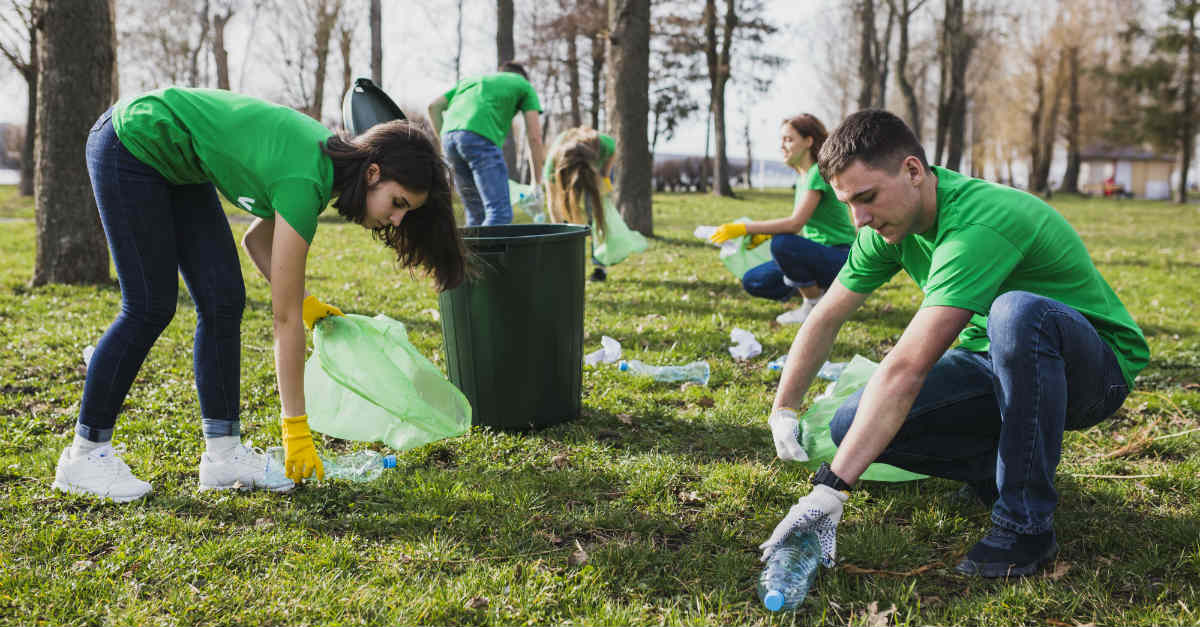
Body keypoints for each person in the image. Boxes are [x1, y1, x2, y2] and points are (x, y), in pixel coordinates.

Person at [758, 110, 1148, 578]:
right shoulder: (884, 228)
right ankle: (994, 470)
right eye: (848, 204)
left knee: (1017, 312)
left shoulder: (980, 221)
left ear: (912, 171)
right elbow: (824, 318)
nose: (859, 219)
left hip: (1092, 373)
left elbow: (908, 366)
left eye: (867, 198)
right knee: (848, 425)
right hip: (993, 360)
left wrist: (830, 488)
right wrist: (784, 408)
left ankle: (1025, 528)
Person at [53, 87, 468, 502]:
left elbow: (256, 242)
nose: (396, 220)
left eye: (405, 212)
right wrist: (296, 429)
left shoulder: (325, 171)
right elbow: (283, 320)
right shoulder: (306, 179)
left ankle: (224, 454)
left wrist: (306, 305)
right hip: (132, 140)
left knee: (223, 300)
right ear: (373, 173)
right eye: (398, 203)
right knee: (149, 305)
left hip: (179, 163)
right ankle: (84, 456)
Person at [708, 114, 856, 325]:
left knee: (782, 244)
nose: (782, 146)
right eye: (782, 140)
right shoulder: (803, 177)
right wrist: (765, 234)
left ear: (808, 141)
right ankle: (822, 292)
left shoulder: (817, 172)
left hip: (839, 256)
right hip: (817, 254)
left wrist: (744, 228)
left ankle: (813, 305)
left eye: (789, 139)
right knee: (753, 280)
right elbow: (802, 226)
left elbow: (795, 224)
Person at [428, 61, 546, 226]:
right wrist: (537, 184)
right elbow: (534, 137)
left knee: (476, 215)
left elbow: (433, 107)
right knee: (500, 214)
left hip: (449, 139)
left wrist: (447, 143)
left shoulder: (471, 81)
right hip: (479, 137)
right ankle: (490, 245)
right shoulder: (523, 84)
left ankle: (469, 245)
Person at [543, 126, 615, 281]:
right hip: (568, 171)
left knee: (596, 214)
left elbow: (613, 150)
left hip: (594, 171)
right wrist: (560, 234)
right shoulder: (552, 165)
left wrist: (605, 175)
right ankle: (568, 262)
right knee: (567, 212)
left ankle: (600, 266)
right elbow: (553, 202)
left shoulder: (604, 144)